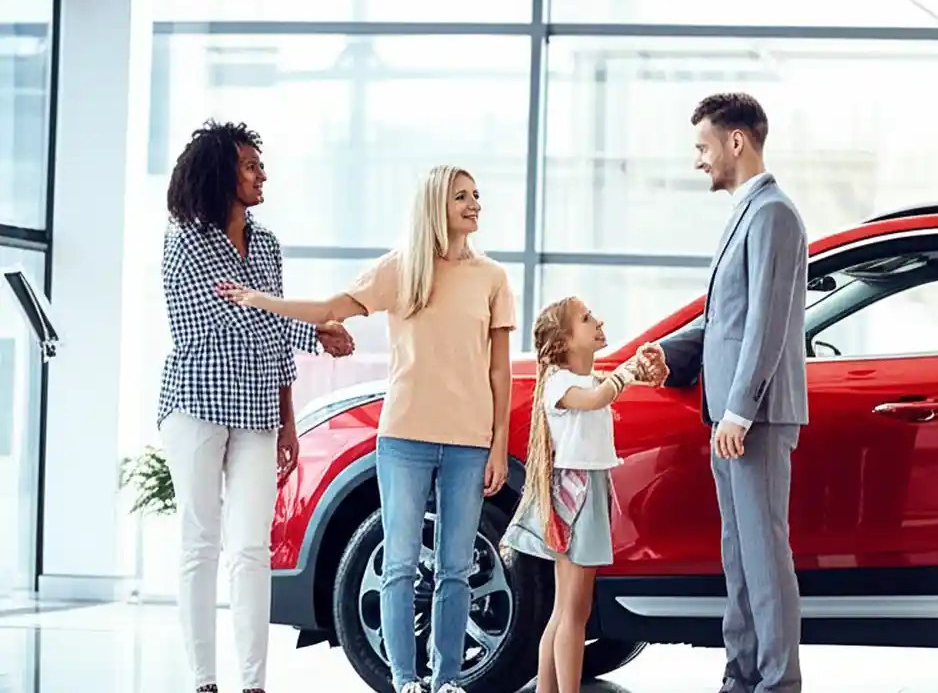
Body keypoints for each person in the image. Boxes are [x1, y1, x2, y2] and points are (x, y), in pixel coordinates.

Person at [216, 164, 516, 693]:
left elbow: (498, 369)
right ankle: (405, 680)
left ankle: (445, 680)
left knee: (455, 568)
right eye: (461, 197)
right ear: (434, 207)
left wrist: (497, 447)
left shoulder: (492, 277)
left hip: (470, 444)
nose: (474, 205)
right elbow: (332, 308)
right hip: (404, 439)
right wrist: (261, 300)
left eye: (476, 196)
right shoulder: (399, 271)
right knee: (400, 563)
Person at [157, 119, 354, 693]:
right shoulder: (185, 240)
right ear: (221, 172)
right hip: (195, 404)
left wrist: (289, 419)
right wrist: (317, 329)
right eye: (250, 165)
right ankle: (203, 680)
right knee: (201, 541)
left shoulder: (266, 243)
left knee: (251, 546)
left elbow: (265, 335)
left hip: (258, 412)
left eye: (260, 164)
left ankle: (252, 684)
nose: (261, 173)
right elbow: (239, 319)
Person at [642, 93, 809, 693]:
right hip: (728, 418)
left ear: (736, 142)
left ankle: (776, 683)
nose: (698, 161)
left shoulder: (773, 214)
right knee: (739, 560)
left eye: (702, 146)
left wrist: (740, 408)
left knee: (764, 561)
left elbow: (766, 322)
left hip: (752, 419)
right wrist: (670, 351)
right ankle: (742, 675)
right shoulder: (748, 212)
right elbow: (726, 318)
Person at [500, 296, 662, 693]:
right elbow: (597, 398)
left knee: (567, 609)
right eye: (587, 319)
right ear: (564, 341)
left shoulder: (583, 380)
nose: (598, 320)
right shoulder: (560, 384)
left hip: (587, 491)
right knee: (574, 611)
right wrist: (627, 373)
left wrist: (645, 368)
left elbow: (603, 391)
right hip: (576, 497)